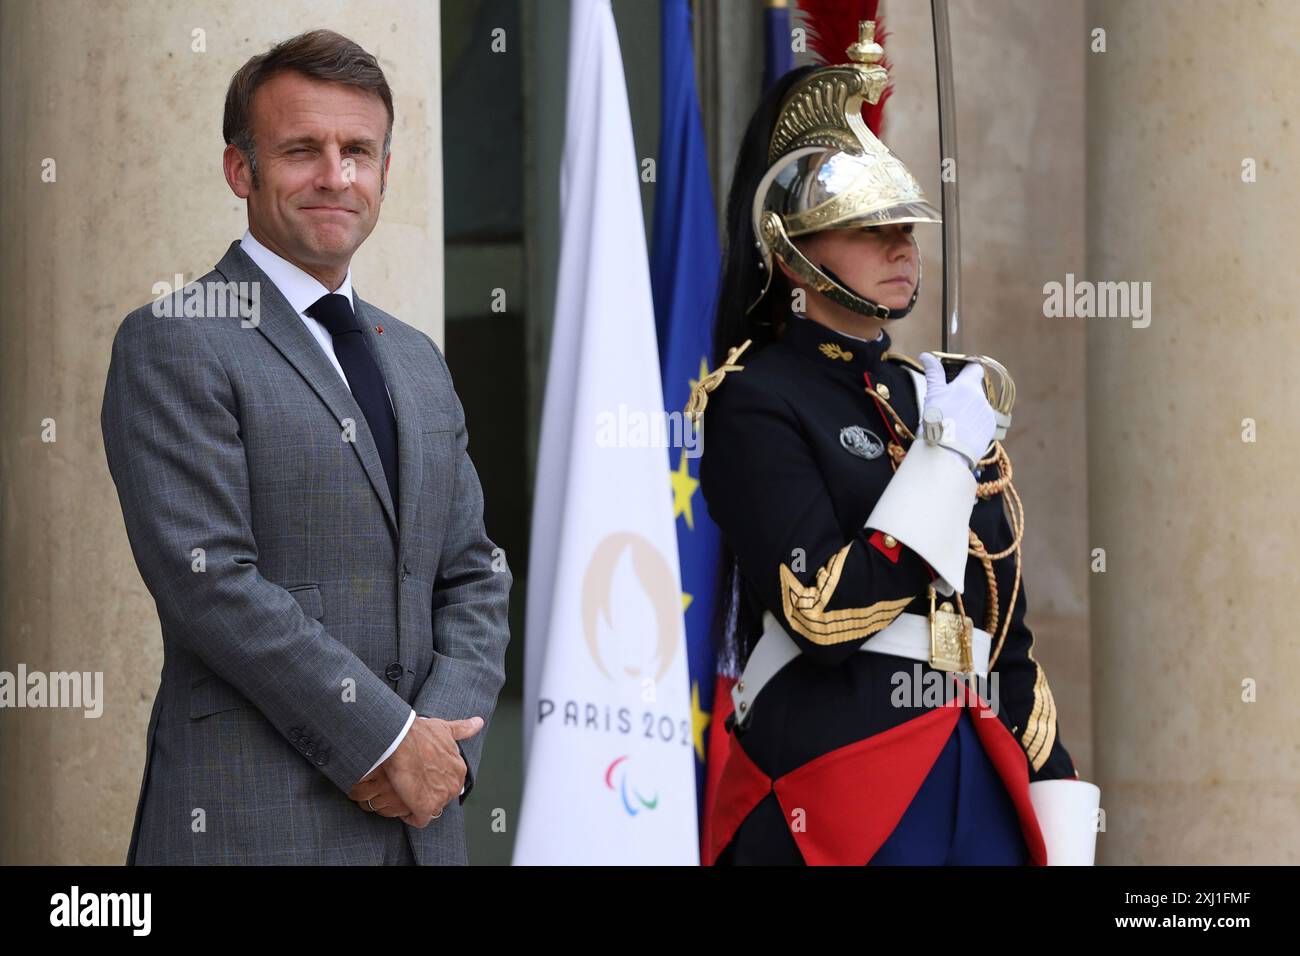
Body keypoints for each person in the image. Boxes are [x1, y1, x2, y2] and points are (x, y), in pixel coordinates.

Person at [100, 29, 511, 865]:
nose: (337, 175)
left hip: (424, 833)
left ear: (386, 172)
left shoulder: (416, 358)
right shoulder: (175, 340)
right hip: (255, 825)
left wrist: (442, 751)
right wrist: (387, 742)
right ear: (241, 171)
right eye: (302, 150)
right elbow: (213, 588)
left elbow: (474, 572)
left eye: (359, 150)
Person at [692, 23, 1097, 865]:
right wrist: (945, 462)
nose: (903, 248)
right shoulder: (755, 398)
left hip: (976, 765)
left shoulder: (930, 395)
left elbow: (999, 629)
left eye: (907, 228)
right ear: (794, 257)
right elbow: (823, 611)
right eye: (871, 229)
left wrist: (1052, 784)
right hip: (835, 778)